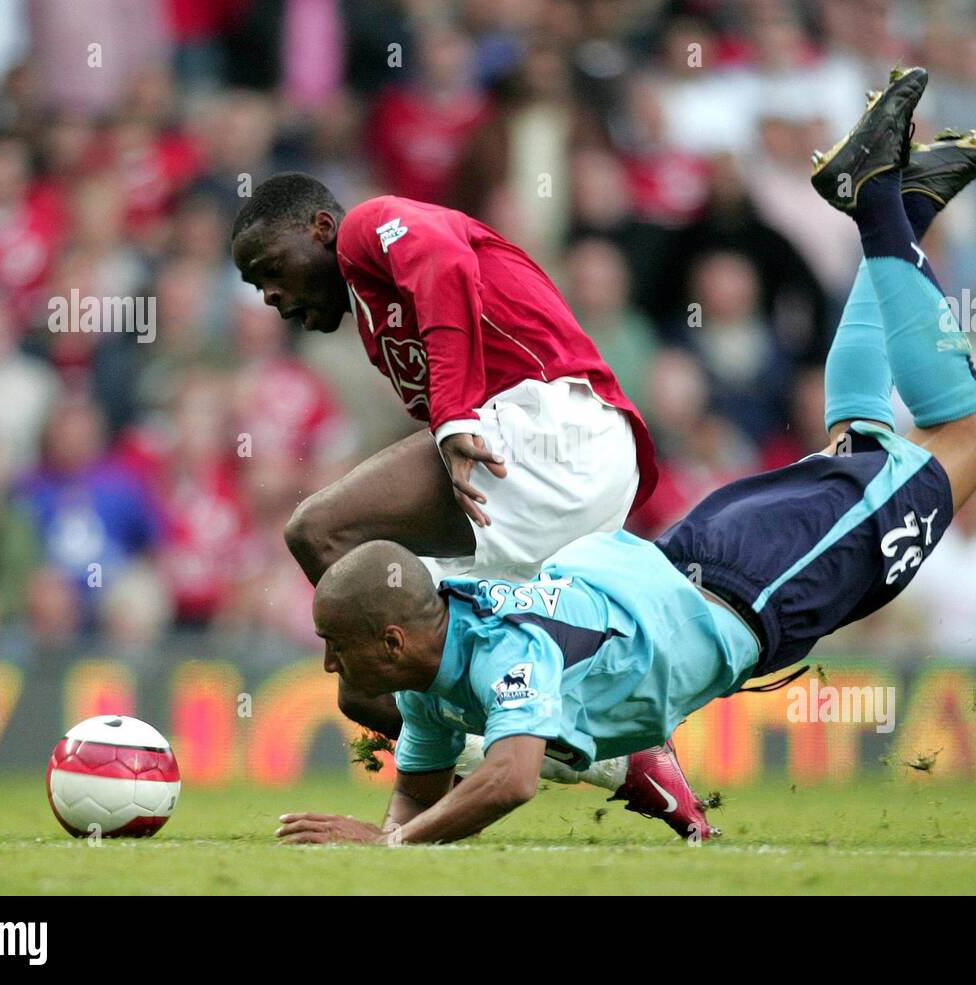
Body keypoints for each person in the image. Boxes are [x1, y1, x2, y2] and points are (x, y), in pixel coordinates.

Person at [273, 67, 976, 846]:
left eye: (336, 650)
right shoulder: (442, 681)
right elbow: (418, 806)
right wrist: (386, 835)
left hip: (747, 585)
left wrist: (392, 842)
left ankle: (885, 207)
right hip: (707, 568)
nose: (331, 669)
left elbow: (506, 779)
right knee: (862, 444)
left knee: (968, 440)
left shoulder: (498, 654)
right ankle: (897, 208)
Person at [230, 172, 722, 836]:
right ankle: (607, 758)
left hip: (551, 428)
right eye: (256, 288)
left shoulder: (368, 228)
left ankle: (534, 757)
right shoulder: (376, 319)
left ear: (319, 228)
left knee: (326, 542)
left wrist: (455, 414)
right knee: (371, 678)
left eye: (269, 270)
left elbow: (443, 261)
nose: (271, 296)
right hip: (555, 457)